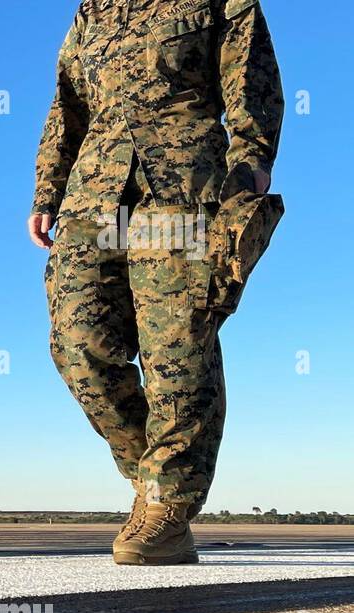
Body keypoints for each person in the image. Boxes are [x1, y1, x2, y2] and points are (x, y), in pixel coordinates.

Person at [29, 0, 284, 565]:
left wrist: (251, 170)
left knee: (177, 348)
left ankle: (168, 507)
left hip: (183, 190)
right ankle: (151, 478)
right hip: (92, 198)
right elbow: (66, 109)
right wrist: (47, 192)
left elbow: (252, 89)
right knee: (78, 346)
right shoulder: (91, 13)